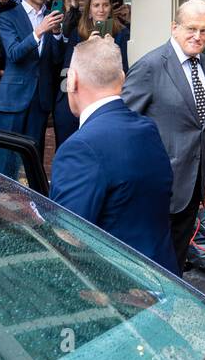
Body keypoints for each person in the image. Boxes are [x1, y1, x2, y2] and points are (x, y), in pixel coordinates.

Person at [49, 36, 179, 274]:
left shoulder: (79, 148)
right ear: (122, 79)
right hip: (163, 274)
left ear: (72, 80)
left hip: (116, 286)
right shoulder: (147, 129)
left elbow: (66, 235)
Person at [121, 0, 205, 272]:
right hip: (156, 186)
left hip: (192, 187)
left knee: (176, 263)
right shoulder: (150, 66)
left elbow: (203, 129)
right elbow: (125, 124)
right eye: (191, 28)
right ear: (174, 27)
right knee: (149, 266)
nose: (197, 36)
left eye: (204, 31)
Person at [0, 0, 65, 148]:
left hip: (40, 99)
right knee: (5, 157)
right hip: (13, 98)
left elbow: (56, 60)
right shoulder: (8, 17)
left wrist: (56, 33)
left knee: (34, 156)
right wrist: (39, 31)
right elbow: (14, 53)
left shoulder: (51, 16)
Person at [56, 0, 131, 148]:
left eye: (105, 5)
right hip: (76, 93)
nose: (101, 9)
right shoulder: (78, 32)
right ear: (89, 9)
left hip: (102, 96)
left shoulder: (120, 32)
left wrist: (110, 51)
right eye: (96, 5)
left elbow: (123, 68)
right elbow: (67, 67)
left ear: (111, 8)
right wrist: (87, 47)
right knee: (68, 143)